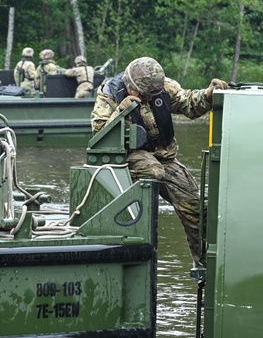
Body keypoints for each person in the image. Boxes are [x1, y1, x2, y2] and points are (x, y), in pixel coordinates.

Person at [90, 56, 228, 268]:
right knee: (154, 171)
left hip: (164, 157)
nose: (146, 98)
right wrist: (120, 112)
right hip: (129, 156)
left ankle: (205, 264)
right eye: (142, 94)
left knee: (196, 208)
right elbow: (99, 136)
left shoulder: (164, 87)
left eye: (150, 95)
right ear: (130, 85)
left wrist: (208, 95)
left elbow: (189, 104)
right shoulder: (109, 95)